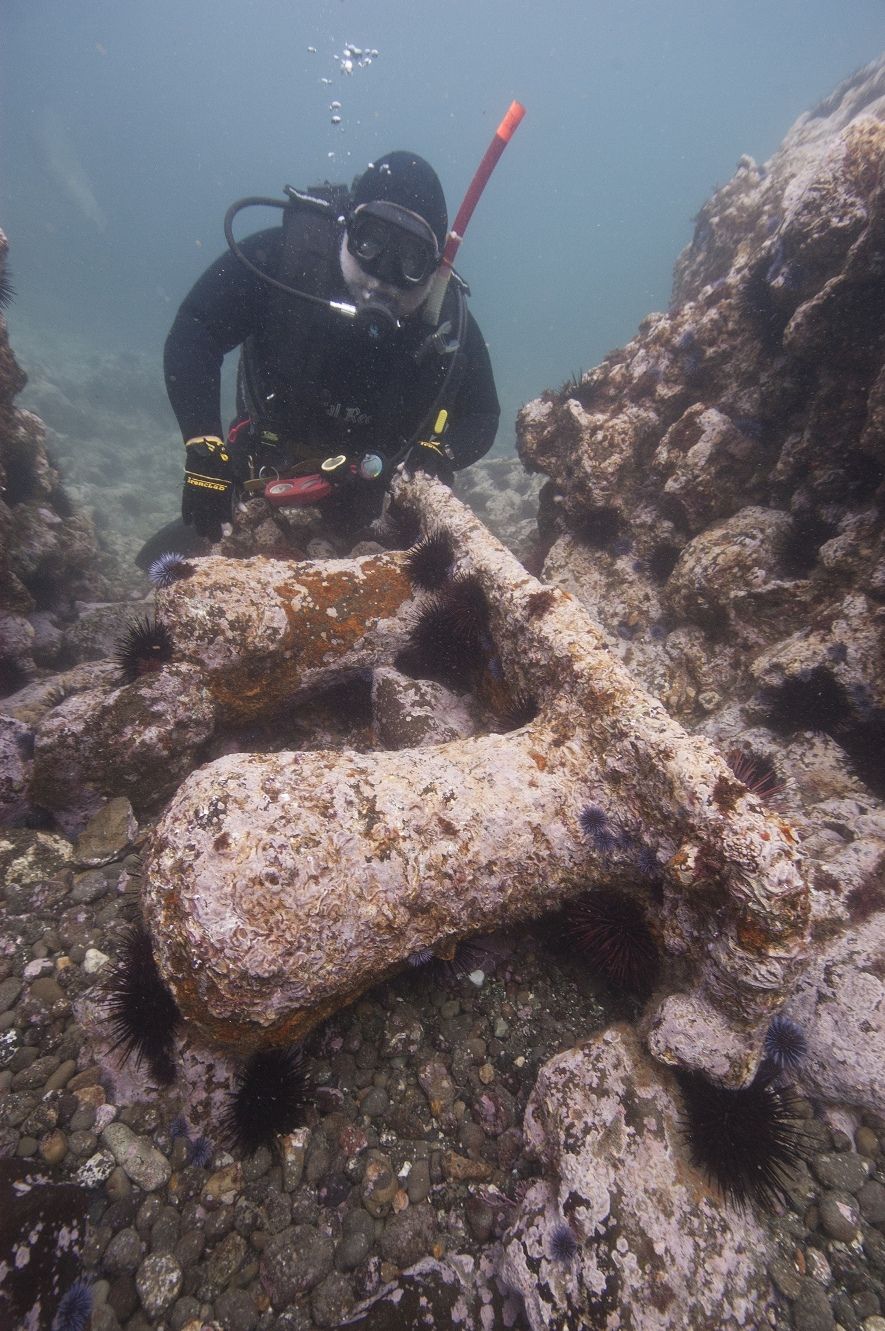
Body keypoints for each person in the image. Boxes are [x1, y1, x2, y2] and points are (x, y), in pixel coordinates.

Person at [158, 151, 500, 550]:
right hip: (264, 470)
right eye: (370, 241)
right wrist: (203, 444)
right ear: (348, 229)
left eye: (411, 259)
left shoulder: (447, 320)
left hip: (374, 496)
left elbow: (483, 413)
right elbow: (196, 329)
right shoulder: (285, 263)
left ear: (436, 266)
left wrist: (444, 452)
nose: (382, 276)